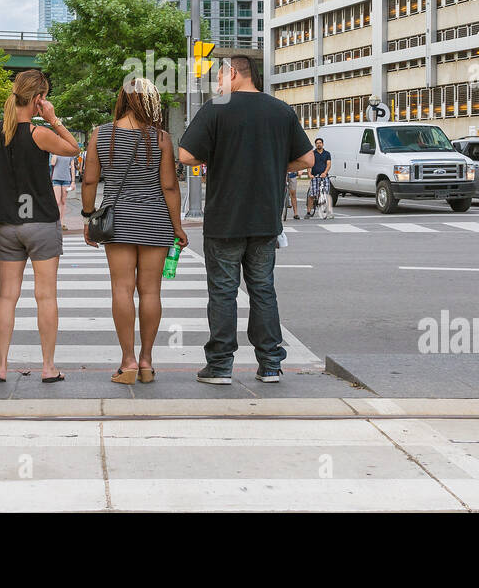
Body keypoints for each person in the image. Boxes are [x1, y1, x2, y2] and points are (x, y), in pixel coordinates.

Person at [179, 56, 314, 386]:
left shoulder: (216, 109)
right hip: (266, 218)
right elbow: (307, 159)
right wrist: (270, 164)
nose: (218, 83)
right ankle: (270, 364)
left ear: (234, 74)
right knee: (263, 290)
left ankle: (221, 365)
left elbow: (185, 155)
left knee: (224, 293)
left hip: (226, 218)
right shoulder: (281, 110)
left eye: (221, 76)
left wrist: (220, 157)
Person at [81, 77, 187, 385]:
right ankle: (146, 361)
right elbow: (169, 185)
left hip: (117, 220)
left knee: (121, 289)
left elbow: (89, 181)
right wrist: (177, 226)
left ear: (123, 101)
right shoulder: (162, 138)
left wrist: (89, 216)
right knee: (151, 291)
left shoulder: (101, 134)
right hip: (156, 220)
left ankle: (126, 360)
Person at [0, 69, 80, 383]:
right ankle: (48, 367)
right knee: (46, 296)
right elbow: (73, 149)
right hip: (40, 222)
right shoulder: (39, 134)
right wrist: (52, 118)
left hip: (7, 225)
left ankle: (0, 367)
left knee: (6, 297)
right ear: (39, 99)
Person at [306, 138, 334, 220]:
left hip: (324, 177)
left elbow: (328, 164)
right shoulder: (312, 153)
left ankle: (329, 212)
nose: (319, 144)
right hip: (315, 176)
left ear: (323, 144)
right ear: (315, 145)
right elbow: (309, 165)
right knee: (312, 195)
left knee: (327, 194)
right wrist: (309, 174)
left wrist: (325, 173)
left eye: (320, 143)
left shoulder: (327, 153)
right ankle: (308, 212)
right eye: (317, 143)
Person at [49, 152, 75, 231]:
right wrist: (56, 152)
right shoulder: (55, 152)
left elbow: (72, 167)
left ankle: (62, 222)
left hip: (66, 179)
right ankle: (56, 221)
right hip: (56, 178)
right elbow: (53, 163)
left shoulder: (69, 153)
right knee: (57, 201)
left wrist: (73, 181)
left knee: (63, 201)